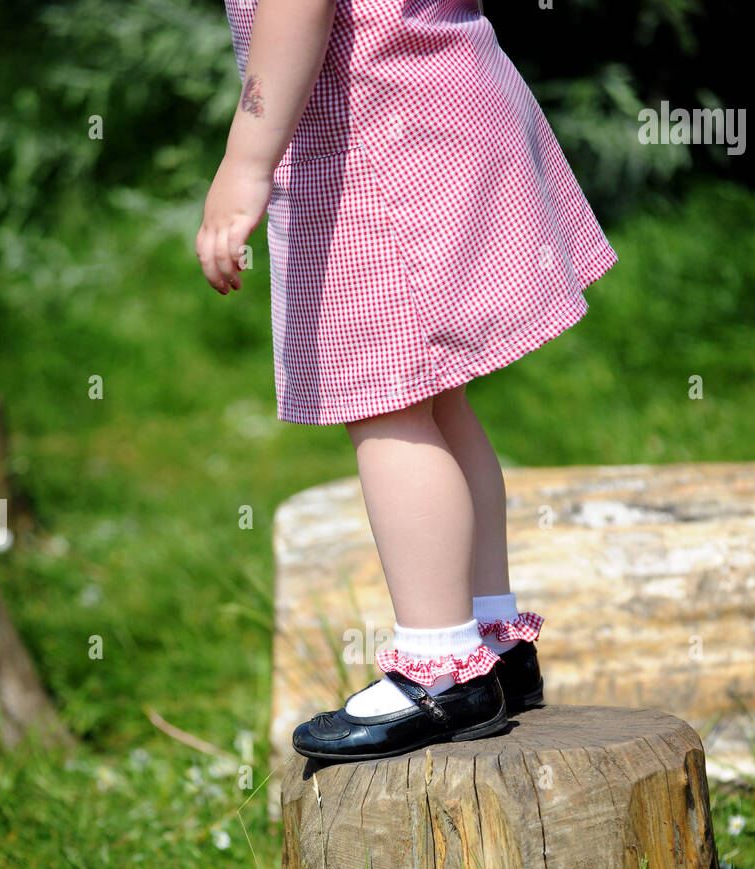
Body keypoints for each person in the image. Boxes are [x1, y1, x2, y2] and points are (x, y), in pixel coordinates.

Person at [197, 0, 617, 762]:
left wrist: (244, 162)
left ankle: (440, 666)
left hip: (378, 149)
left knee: (385, 405)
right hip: (440, 105)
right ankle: (491, 643)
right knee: (436, 393)